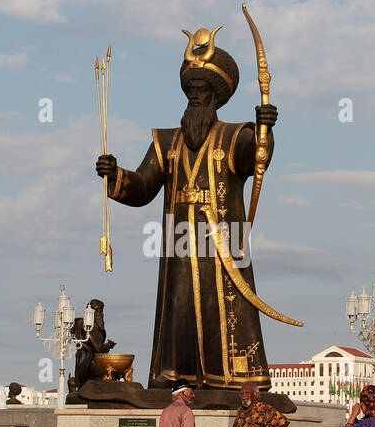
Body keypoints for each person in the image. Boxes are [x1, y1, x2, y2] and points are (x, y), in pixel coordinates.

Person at [94, 24, 289, 391]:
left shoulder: (235, 134)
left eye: (203, 91)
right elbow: (144, 185)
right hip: (180, 240)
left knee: (221, 306)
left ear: (216, 97)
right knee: (180, 301)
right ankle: (177, 373)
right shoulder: (167, 141)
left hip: (222, 238)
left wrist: (265, 129)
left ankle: (228, 377)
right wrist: (114, 174)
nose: (196, 96)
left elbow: (255, 159)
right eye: (191, 90)